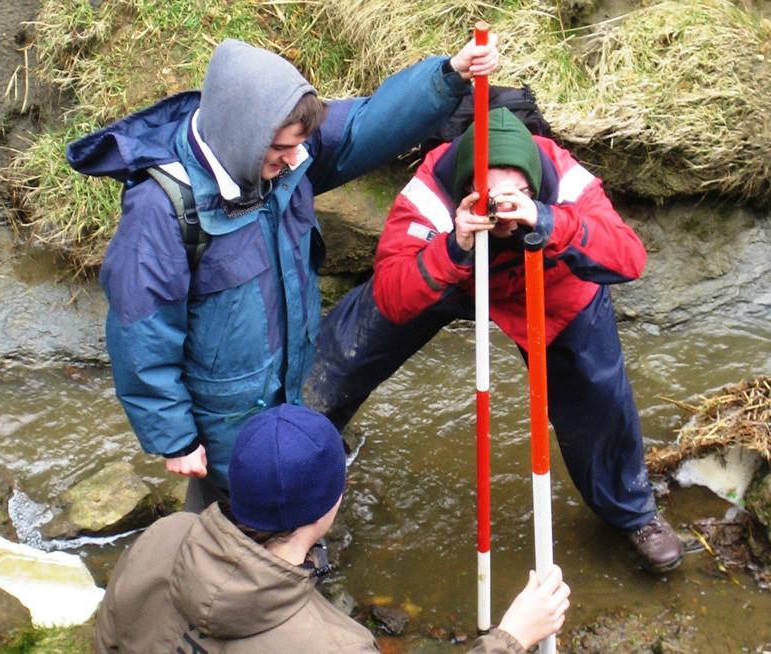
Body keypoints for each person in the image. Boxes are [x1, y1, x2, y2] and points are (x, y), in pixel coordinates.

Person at [66, 36, 499, 511]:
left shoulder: (284, 153)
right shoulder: (161, 208)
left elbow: (364, 126)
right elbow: (141, 330)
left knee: (284, 508)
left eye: (299, 146)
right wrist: (174, 438)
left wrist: (448, 76)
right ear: (243, 137)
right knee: (228, 519)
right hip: (225, 417)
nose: (296, 160)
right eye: (282, 149)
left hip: (287, 385)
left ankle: (290, 565)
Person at [305, 107, 685, 572]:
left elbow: (628, 258)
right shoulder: (430, 196)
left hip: (548, 283)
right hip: (452, 270)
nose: (504, 208)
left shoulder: (564, 180)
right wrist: (452, 246)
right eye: (490, 196)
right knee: (342, 353)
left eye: (518, 192)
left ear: (535, 180)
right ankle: (296, 486)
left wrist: (548, 220)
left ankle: (633, 512)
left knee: (598, 394)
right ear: (465, 189)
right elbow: (391, 295)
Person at [95, 404, 571, 653]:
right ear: (329, 507)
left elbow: (109, 641)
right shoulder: (336, 644)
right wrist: (510, 636)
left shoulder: (163, 537)